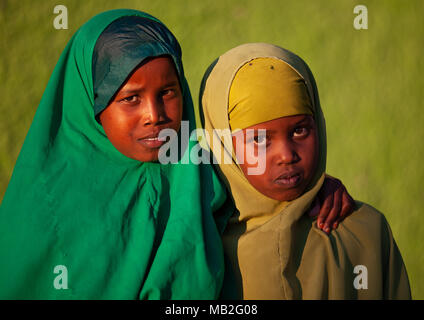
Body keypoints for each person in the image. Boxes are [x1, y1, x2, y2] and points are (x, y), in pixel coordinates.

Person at [0, 9, 353, 299]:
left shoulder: (197, 165)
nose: (155, 115)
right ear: (90, 104)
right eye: (131, 98)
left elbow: (263, 184)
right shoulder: (43, 207)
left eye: (168, 92)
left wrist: (316, 191)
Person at [199, 43, 411, 299]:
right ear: (222, 145)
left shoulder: (365, 233)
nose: (287, 155)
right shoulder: (201, 246)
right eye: (259, 139)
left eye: (299, 130)